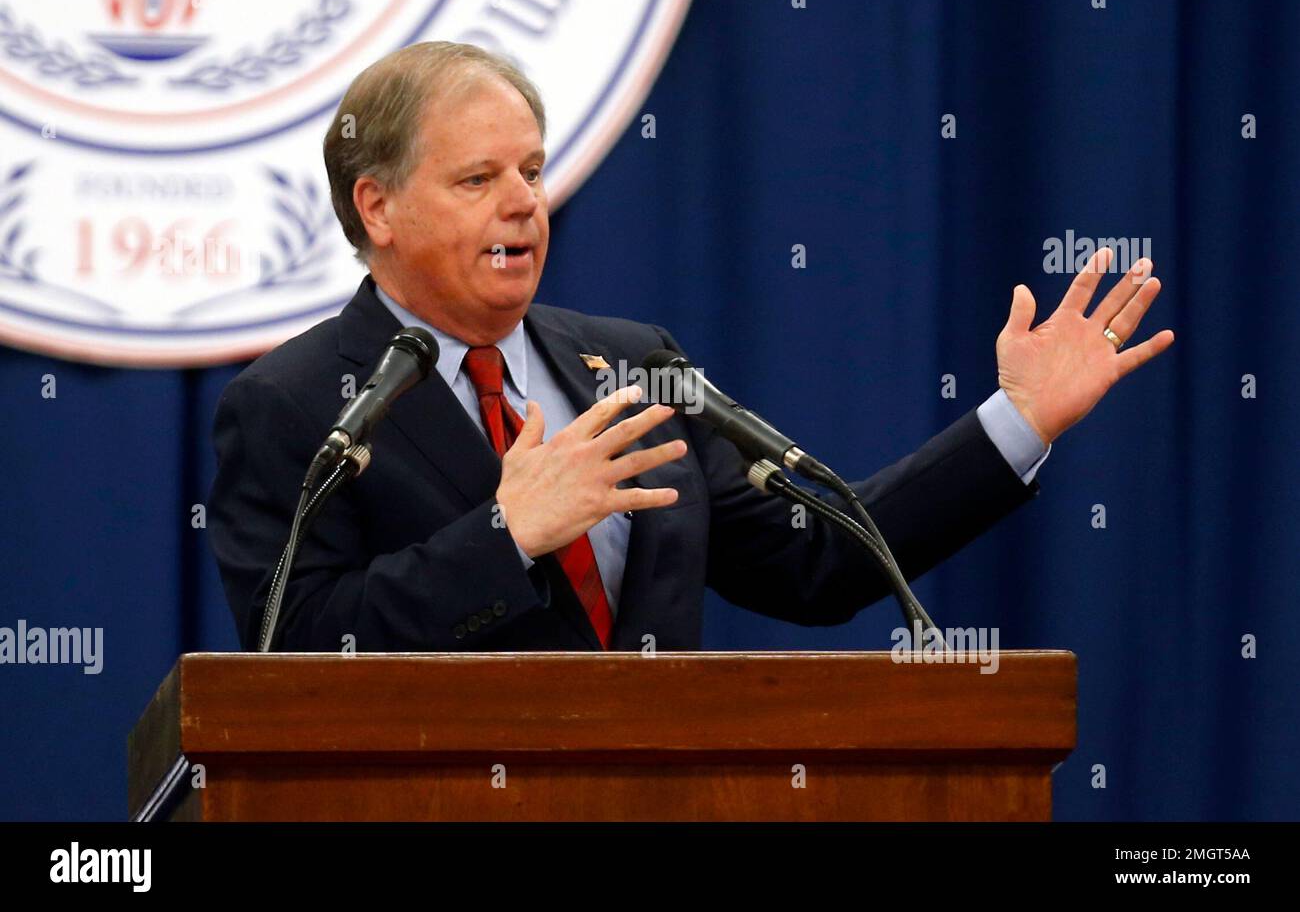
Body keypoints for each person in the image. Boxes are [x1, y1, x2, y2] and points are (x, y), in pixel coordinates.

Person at [209, 41, 1174, 652]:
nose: (523, 203)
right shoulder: (296, 403)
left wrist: (1017, 422)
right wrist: (506, 538)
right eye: (478, 179)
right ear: (376, 205)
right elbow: (295, 651)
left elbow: (818, 565)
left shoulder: (629, 362)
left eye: (533, 171)